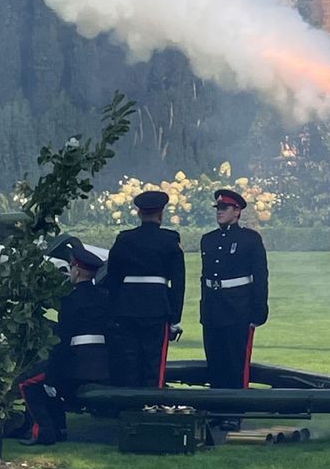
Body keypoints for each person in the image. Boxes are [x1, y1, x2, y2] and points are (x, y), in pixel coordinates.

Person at [18, 239, 111, 445]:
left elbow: (63, 341)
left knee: (28, 382)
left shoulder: (70, 299)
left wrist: (51, 375)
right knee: (50, 384)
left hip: (79, 364)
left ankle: (43, 431)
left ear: (77, 271)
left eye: (71, 267)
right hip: (103, 363)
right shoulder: (104, 296)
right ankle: (59, 430)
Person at [104, 190, 186, 388]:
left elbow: (112, 279)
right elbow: (178, 284)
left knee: (130, 361)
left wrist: (114, 309)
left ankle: (131, 405)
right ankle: (152, 403)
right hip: (157, 307)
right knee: (154, 362)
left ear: (140, 213)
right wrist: (174, 316)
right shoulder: (170, 241)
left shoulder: (124, 240)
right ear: (161, 214)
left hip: (127, 308)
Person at [199, 188, 269, 393]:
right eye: (218, 208)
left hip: (237, 308)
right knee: (215, 362)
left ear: (237, 211)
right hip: (213, 308)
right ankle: (216, 409)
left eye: (224, 207)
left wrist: (259, 310)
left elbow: (260, 276)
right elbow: (206, 277)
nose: (219, 211)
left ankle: (234, 411)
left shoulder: (250, 239)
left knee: (235, 363)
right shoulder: (208, 239)